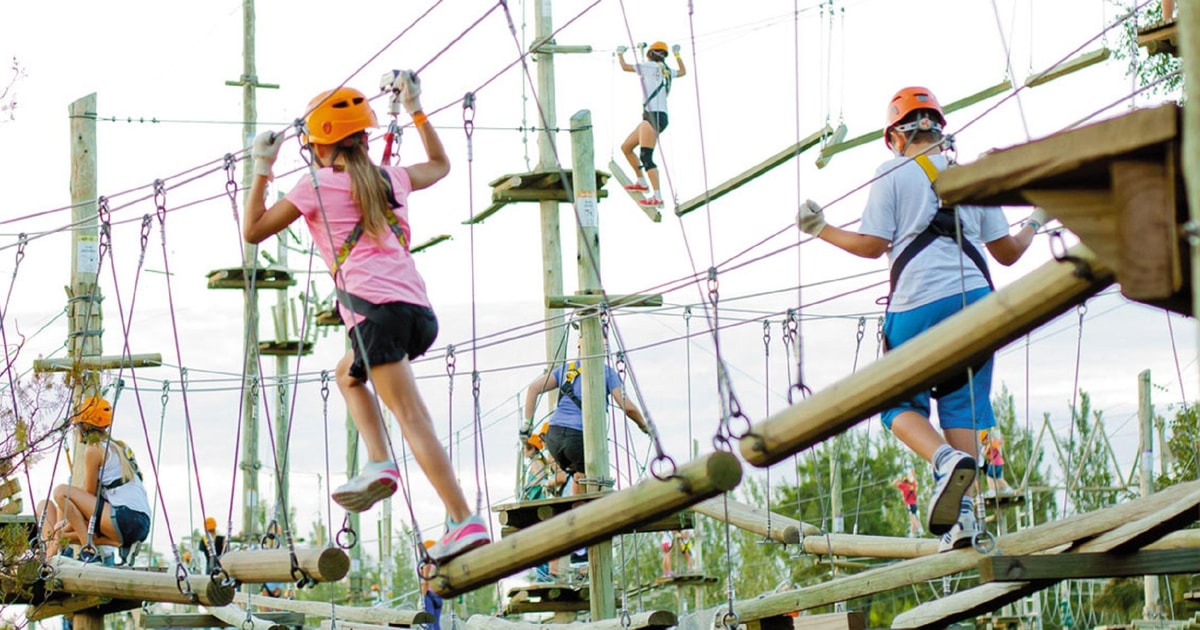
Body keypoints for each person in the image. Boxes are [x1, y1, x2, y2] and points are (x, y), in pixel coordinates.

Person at [242, 74, 489, 562]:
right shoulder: (391, 177)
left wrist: (262, 169)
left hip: (375, 314)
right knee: (347, 375)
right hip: (417, 313)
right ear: (363, 137)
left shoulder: (312, 187)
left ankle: (462, 518)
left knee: (413, 417)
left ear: (318, 146)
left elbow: (253, 230)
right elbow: (439, 165)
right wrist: (417, 108)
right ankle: (380, 462)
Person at [795, 86, 1048, 552]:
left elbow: (873, 245)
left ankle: (943, 459)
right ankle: (965, 518)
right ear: (939, 128)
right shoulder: (973, 175)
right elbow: (1009, 254)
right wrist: (1035, 221)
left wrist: (821, 229)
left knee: (895, 404)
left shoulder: (891, 172)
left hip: (919, 302)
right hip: (977, 302)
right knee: (963, 406)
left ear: (895, 136)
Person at [521, 340, 650, 495]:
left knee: (578, 474)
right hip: (577, 436)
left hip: (553, 437)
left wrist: (527, 424)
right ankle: (584, 509)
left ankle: (578, 505)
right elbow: (628, 408)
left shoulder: (565, 370)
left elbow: (533, 389)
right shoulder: (606, 372)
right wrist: (645, 426)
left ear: (579, 348)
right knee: (592, 476)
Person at [35, 396, 152, 562]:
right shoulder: (120, 446)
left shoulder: (94, 450)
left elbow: (89, 495)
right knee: (61, 532)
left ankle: (88, 550)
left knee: (61, 492)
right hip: (140, 522)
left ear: (84, 426)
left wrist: (64, 525)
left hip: (124, 517)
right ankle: (117, 542)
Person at [617, 41, 687, 208]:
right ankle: (641, 181)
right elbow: (683, 72)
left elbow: (625, 67)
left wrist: (620, 54)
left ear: (650, 53)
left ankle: (657, 196)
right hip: (655, 115)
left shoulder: (649, 66)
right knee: (626, 147)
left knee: (646, 156)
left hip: (653, 116)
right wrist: (678, 55)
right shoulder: (667, 70)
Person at [980, 429, 1014, 498]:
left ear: (985, 439)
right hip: (999, 462)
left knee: (989, 476)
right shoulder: (993, 442)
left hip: (994, 463)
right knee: (998, 477)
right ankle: (1008, 489)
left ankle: (992, 491)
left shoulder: (991, 443)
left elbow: (985, 453)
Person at [420, 540, 444, 630]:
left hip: (429, 595)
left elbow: (426, 581)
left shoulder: (427, 565)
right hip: (438, 596)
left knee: (429, 624)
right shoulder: (438, 565)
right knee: (436, 624)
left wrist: (422, 596)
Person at [893, 471, 922, 538]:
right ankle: (912, 534)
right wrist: (913, 474)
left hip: (909, 504)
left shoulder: (903, 486)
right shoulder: (913, 485)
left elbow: (894, 483)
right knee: (913, 518)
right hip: (914, 505)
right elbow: (915, 479)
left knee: (912, 518)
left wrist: (898, 478)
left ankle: (919, 528)